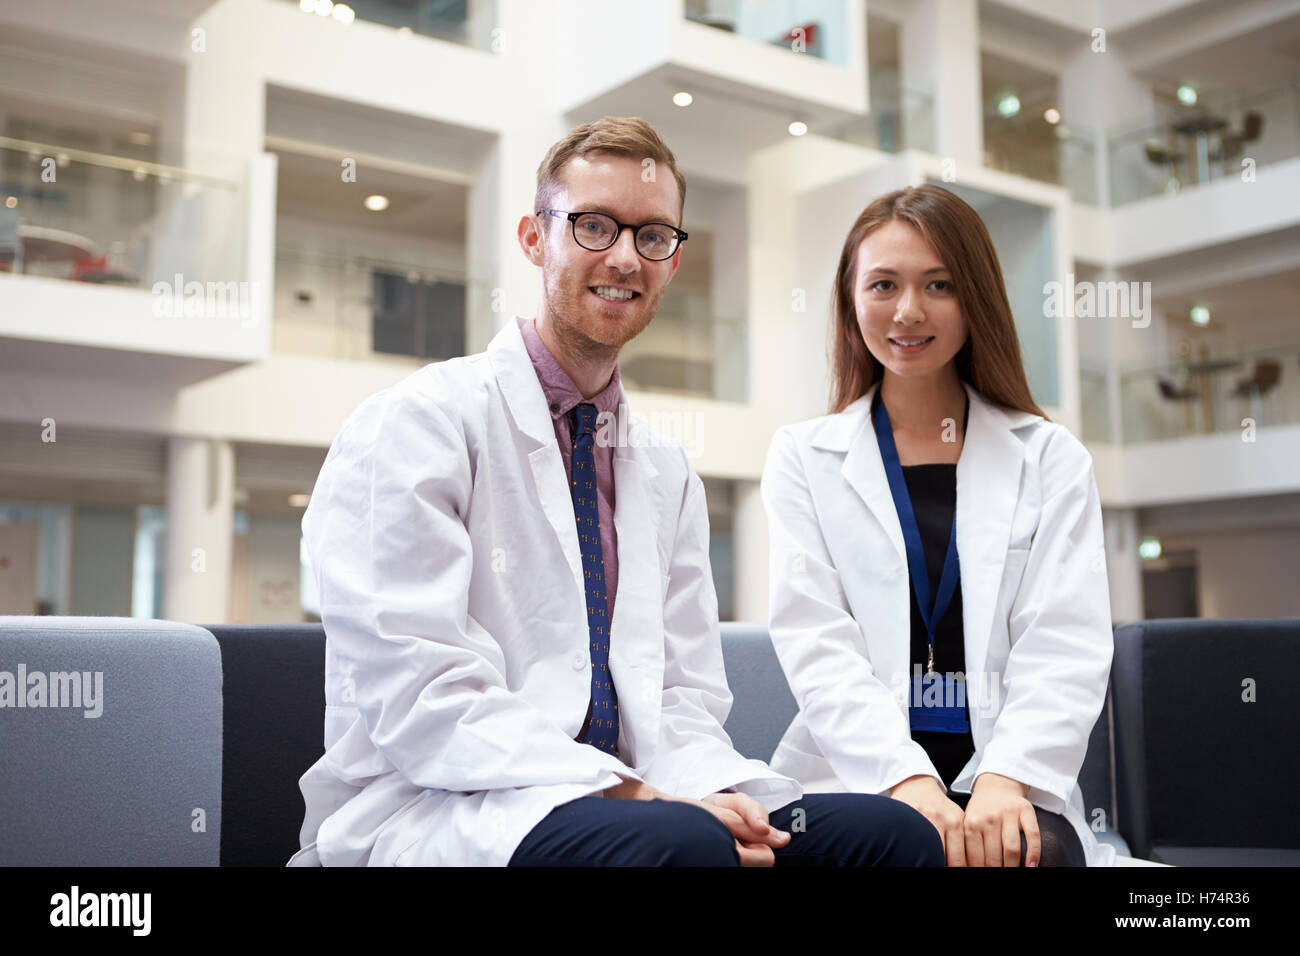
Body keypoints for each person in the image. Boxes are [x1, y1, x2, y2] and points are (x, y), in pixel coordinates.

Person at [288, 117, 944, 867]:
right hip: (445, 806)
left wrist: (710, 797)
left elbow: (682, 702)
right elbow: (422, 700)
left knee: (891, 837)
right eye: (594, 226)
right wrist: (636, 797)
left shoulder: (666, 472)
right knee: (688, 846)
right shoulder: (415, 425)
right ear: (536, 239)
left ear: (671, 263)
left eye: (654, 236)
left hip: (653, 801)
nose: (626, 257)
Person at [760, 184, 1116, 867]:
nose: (907, 311)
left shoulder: (1050, 458)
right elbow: (817, 643)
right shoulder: (804, 457)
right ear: (850, 299)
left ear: (975, 297)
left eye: (939, 285)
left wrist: (1004, 778)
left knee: (1027, 855)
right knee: (902, 845)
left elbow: (1064, 643)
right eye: (883, 284)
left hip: (1006, 778)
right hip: (860, 776)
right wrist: (908, 779)